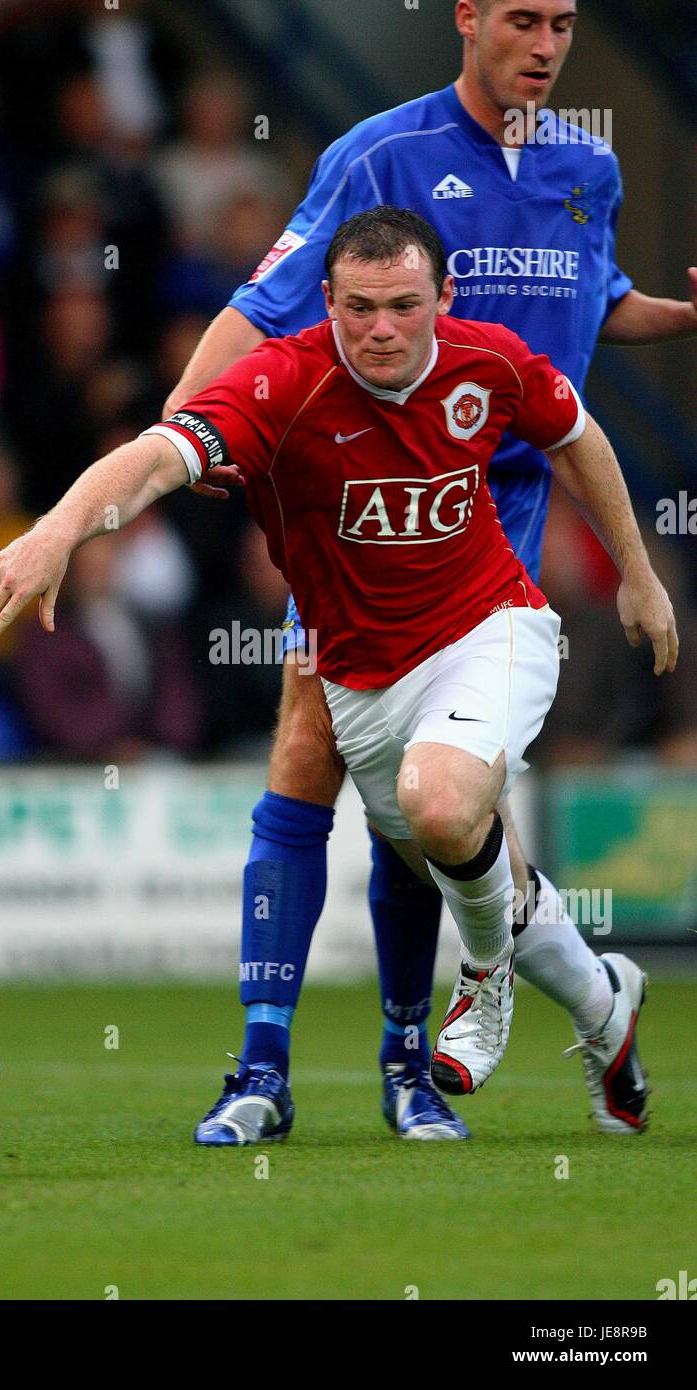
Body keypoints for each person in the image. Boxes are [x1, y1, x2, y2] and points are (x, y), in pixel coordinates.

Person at [0, 207, 678, 1140]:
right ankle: (601, 1005)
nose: (382, 328)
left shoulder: (489, 362)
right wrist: (56, 530)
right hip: (357, 675)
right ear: (327, 302)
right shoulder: (281, 383)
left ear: (443, 298)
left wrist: (637, 572)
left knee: (440, 805)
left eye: (404, 306)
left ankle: (481, 980)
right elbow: (149, 462)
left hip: (492, 630)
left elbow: (575, 434)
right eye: (360, 308)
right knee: (455, 847)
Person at [159, 0, 697, 1141]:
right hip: (369, 506)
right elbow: (264, 304)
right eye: (520, 19)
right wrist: (182, 425)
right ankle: (270, 1067)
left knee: (439, 816)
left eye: (560, 22)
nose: (545, 44)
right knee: (332, 760)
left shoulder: (586, 167)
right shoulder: (380, 156)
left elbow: (594, 315)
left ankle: (432, 1050)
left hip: (499, 518)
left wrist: (683, 313)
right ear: (464, 20)